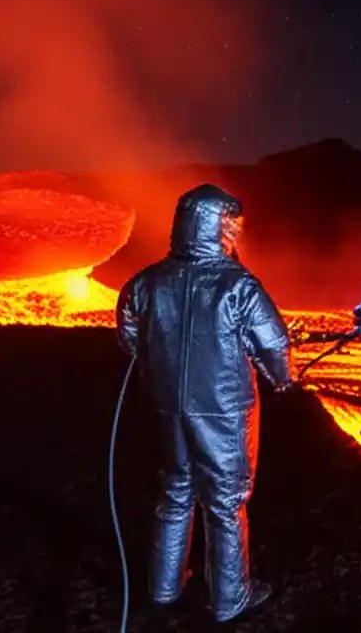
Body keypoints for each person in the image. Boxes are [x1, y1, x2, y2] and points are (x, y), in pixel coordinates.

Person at [116, 183, 293, 622]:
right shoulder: (238, 286)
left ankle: (163, 588)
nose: (236, 232)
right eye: (232, 224)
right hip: (225, 410)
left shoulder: (146, 282)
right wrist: (283, 380)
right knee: (226, 500)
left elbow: (129, 333)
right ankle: (230, 599)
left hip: (166, 409)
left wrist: (157, 367)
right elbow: (273, 346)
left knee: (175, 492)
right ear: (218, 227)